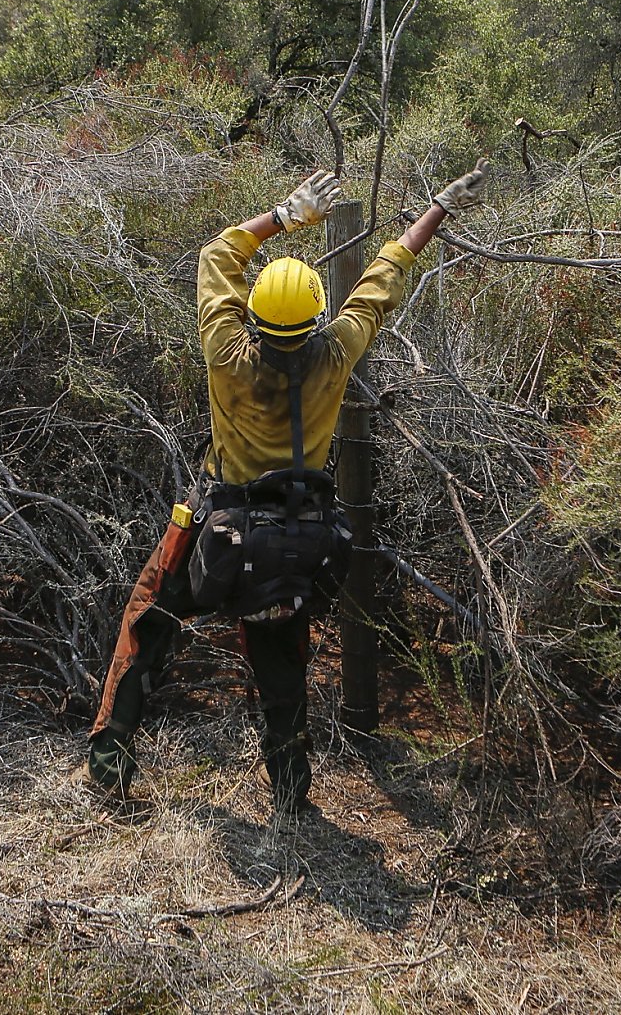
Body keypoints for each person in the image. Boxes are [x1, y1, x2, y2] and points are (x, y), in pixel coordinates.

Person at [88, 160, 492, 811]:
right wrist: (438, 207)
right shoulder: (336, 353)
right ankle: (292, 799)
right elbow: (385, 278)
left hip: (213, 524)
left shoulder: (227, 349)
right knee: (283, 674)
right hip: (290, 542)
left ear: (252, 314)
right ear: (316, 317)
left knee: (147, 625)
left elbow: (219, 252)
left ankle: (109, 773)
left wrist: (285, 216)